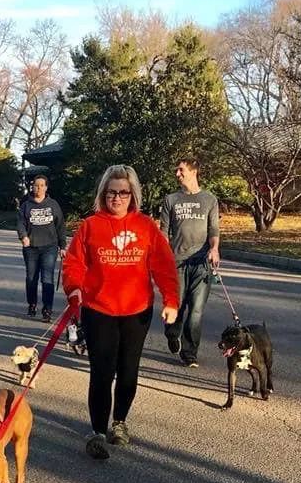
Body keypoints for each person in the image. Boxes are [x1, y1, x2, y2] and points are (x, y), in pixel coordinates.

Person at [62, 165, 179, 460]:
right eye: (111, 192)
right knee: (102, 372)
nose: (117, 198)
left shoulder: (146, 227)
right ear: (104, 194)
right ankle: (98, 431)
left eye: (123, 192)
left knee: (128, 372)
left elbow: (164, 267)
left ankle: (120, 422)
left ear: (132, 195)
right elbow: (74, 263)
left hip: (136, 310)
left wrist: (171, 301)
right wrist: (74, 288)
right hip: (98, 309)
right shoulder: (90, 226)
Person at [160, 158, 221, 368]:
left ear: (194, 171)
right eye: (176, 170)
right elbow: (163, 232)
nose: (177, 174)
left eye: (181, 170)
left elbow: (214, 231)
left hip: (201, 264)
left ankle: (190, 353)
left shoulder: (210, 200)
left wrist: (214, 249)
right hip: (177, 263)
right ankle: (172, 333)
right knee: (176, 306)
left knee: (196, 310)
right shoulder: (171, 200)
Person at [16, 174, 67, 322]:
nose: (38, 188)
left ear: (46, 187)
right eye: (36, 185)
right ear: (32, 187)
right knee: (31, 278)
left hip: (49, 247)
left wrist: (62, 245)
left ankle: (47, 309)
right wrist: (23, 236)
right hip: (31, 247)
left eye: (41, 185)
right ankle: (32, 304)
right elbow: (20, 223)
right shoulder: (26, 205)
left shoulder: (53, 205)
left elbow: (60, 226)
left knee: (47, 279)